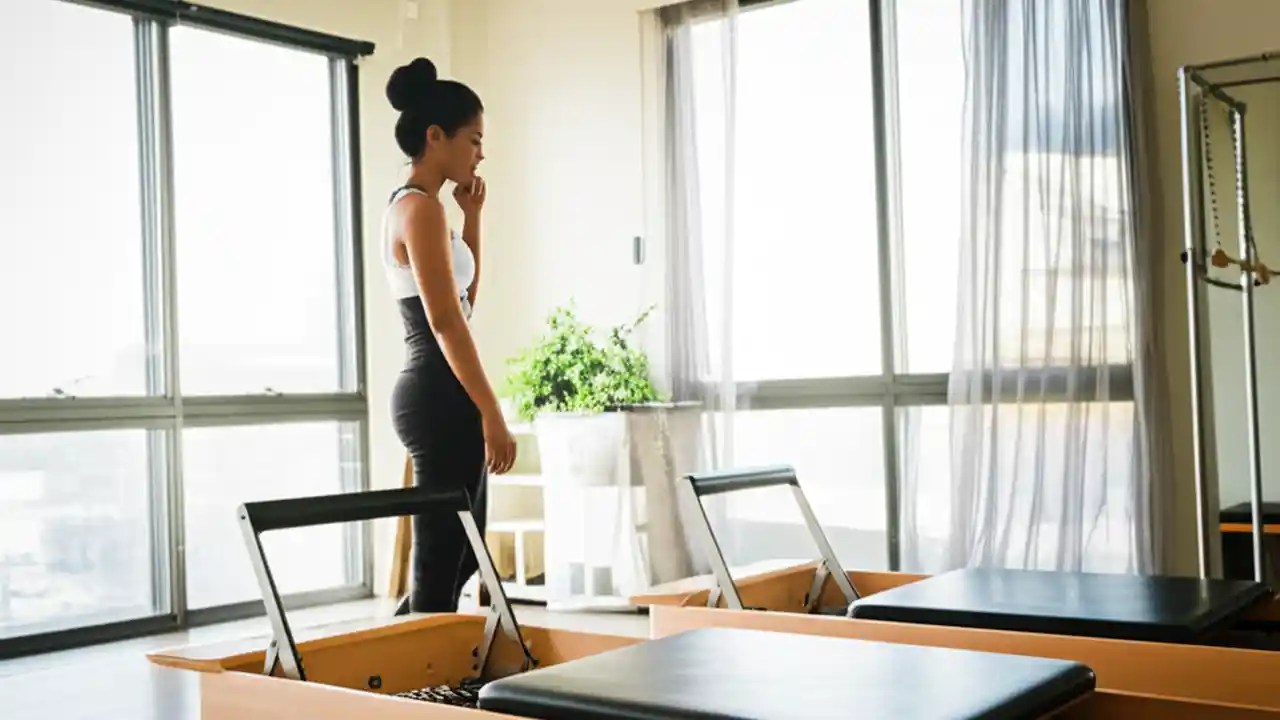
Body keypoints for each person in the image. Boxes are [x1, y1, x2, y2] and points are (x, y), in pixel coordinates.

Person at [382, 57, 516, 613]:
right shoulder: (417, 209)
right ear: (435, 137)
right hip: (436, 394)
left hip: (446, 391)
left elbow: (465, 303)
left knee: (461, 556)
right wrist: (493, 412)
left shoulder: (433, 210)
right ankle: (411, 689)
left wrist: (473, 218)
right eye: (474, 139)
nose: (480, 153)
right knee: (442, 558)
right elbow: (443, 323)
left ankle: (391, 663)